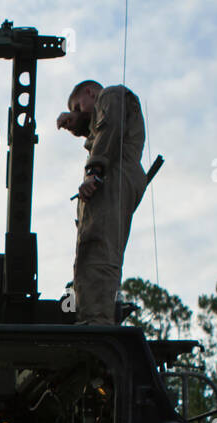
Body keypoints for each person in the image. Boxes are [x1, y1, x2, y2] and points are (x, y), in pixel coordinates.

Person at [56, 79, 148, 325]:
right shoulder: (108, 112)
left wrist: (94, 172)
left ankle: (96, 321)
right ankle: (92, 316)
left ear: (90, 92)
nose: (77, 112)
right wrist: (78, 124)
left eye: (78, 107)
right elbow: (100, 129)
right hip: (118, 177)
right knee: (93, 247)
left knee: (98, 247)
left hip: (112, 177)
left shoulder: (110, 94)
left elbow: (108, 128)